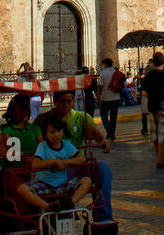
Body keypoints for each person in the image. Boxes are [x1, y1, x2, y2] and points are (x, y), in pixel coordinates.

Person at [34, 88, 115, 220]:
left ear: (73, 102)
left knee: (103, 169)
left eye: (68, 101)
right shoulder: (43, 120)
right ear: (55, 101)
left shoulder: (82, 117)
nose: (65, 105)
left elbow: (95, 134)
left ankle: (103, 217)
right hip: (55, 170)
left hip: (77, 165)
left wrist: (103, 141)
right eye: (61, 101)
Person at [18, 112, 93, 212]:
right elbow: (35, 164)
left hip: (63, 183)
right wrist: (53, 161)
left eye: (59, 131)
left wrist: (65, 163)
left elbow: (82, 159)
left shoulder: (66, 144)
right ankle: (48, 206)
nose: (56, 135)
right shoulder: (43, 146)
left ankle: (70, 202)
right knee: (22, 189)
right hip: (44, 183)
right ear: (46, 134)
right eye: (52, 132)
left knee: (87, 181)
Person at [142, 52, 164, 169]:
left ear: (153, 62)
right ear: (163, 62)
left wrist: (151, 95)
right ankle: (160, 161)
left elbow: (143, 92)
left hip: (152, 108)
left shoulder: (148, 75)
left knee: (155, 136)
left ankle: (159, 159)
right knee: (162, 136)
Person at [97, 57, 122, 141]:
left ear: (105, 64)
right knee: (113, 117)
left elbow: (100, 86)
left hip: (105, 98)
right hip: (116, 97)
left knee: (103, 114)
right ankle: (112, 134)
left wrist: (99, 96)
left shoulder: (103, 73)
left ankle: (109, 130)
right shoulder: (116, 72)